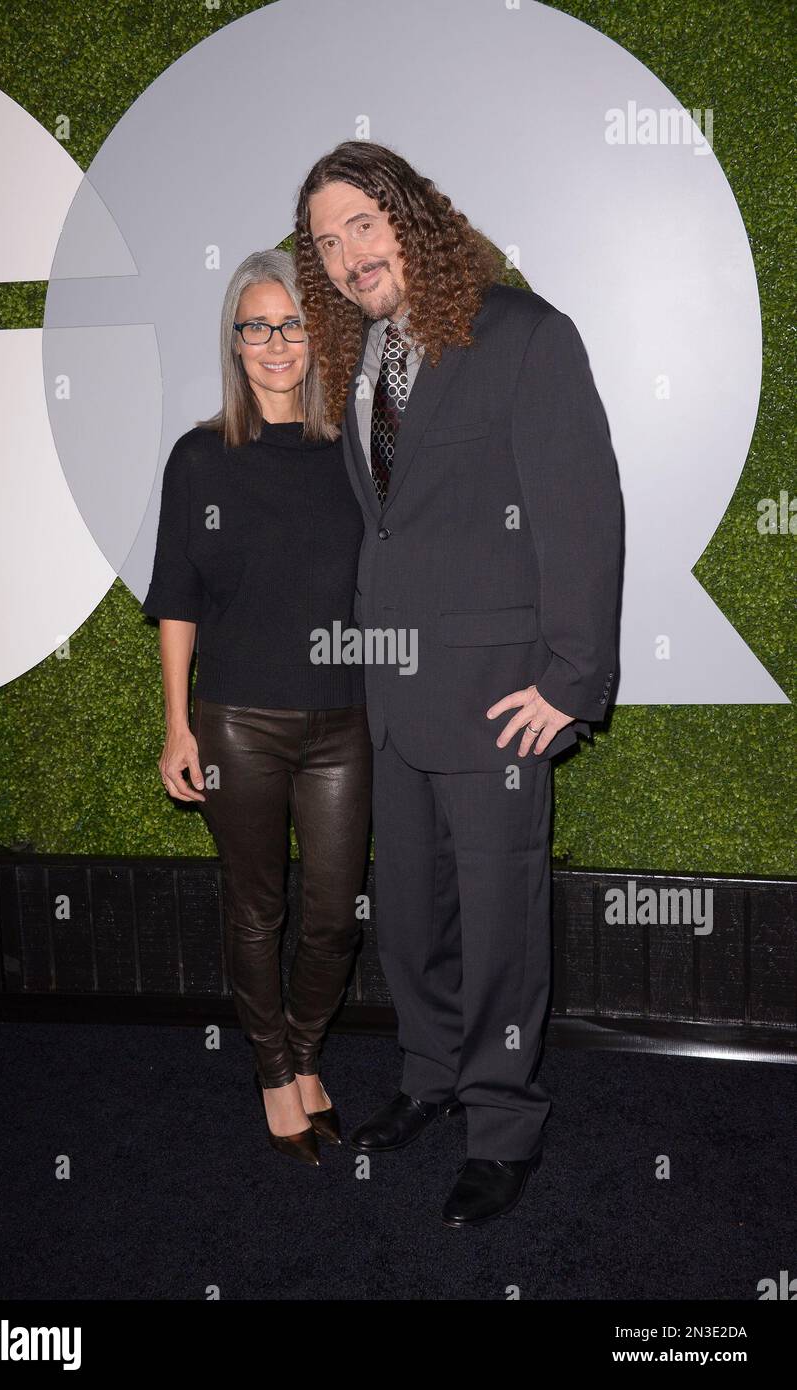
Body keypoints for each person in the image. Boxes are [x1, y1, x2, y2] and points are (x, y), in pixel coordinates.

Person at [293, 142, 623, 1222]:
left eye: (363, 226)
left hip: (499, 703)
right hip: (394, 699)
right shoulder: (362, 357)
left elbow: (582, 517)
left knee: (500, 929)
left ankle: (502, 1122)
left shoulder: (526, 334)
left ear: (414, 218)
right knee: (409, 918)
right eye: (327, 243)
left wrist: (573, 682)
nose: (347, 257)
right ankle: (430, 1081)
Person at [141, 249, 372, 1166]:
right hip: (237, 721)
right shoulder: (201, 457)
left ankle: (308, 1051)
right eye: (256, 326)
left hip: (346, 721)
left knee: (333, 912)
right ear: (235, 344)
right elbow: (176, 597)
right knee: (256, 908)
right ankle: (275, 1070)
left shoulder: (352, 452)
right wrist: (176, 723)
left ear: (316, 339)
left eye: (292, 325)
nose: (276, 343)